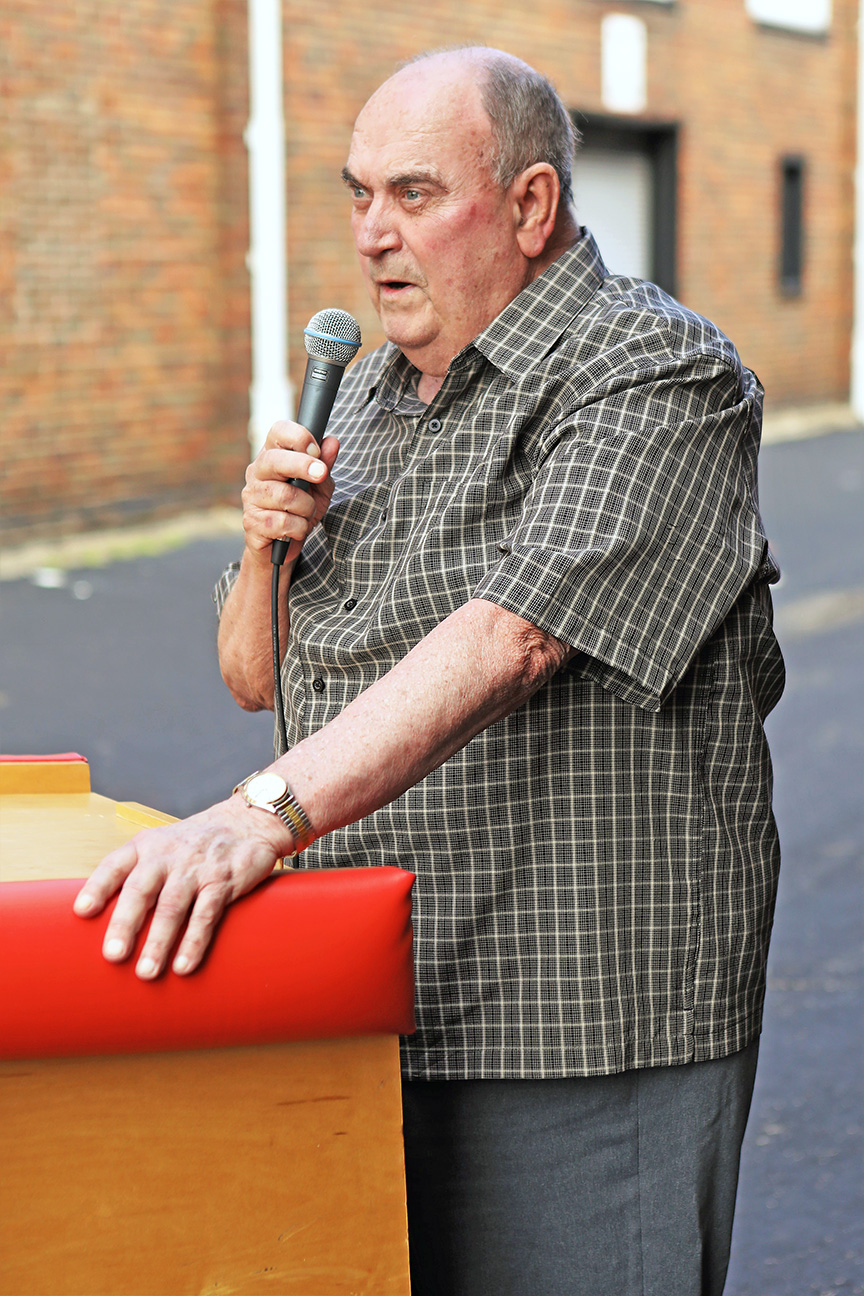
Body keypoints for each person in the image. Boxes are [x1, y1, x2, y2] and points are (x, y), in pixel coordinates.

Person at [75, 46, 785, 1295]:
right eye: (357, 195)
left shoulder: (656, 375)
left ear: (528, 205)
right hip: (366, 1001)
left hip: (576, 1020)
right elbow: (258, 677)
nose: (371, 236)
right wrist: (261, 549)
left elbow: (515, 636)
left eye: (412, 194)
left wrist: (258, 818)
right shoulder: (367, 398)